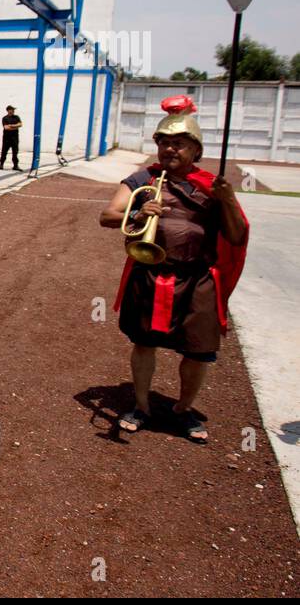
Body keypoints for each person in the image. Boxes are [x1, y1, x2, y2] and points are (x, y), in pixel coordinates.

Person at [99, 95, 248, 443]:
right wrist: (137, 214)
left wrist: (226, 200)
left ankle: (183, 409)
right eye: (164, 143)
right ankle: (140, 405)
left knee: (198, 351)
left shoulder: (211, 187)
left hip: (197, 278)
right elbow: (107, 216)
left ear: (195, 150)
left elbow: (237, 235)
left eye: (178, 144)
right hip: (150, 273)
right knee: (144, 343)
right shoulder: (142, 179)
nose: (169, 150)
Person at [0, 105, 22, 170]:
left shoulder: (16, 117)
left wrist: (11, 125)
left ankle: (15, 165)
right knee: (4, 152)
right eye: (12, 109)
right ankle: (1, 164)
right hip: (7, 138)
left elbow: (20, 124)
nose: (13, 111)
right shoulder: (5, 118)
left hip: (15, 138)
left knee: (15, 152)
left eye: (13, 110)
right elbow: (6, 128)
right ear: (8, 110)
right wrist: (15, 127)